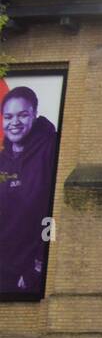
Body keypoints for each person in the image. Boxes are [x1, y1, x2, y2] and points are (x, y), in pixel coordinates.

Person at [0, 86, 59, 295]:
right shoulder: (2, 162)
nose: (14, 123)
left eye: (23, 115)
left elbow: (54, 210)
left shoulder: (52, 148)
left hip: (29, 275)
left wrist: (38, 264)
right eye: (8, 116)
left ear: (34, 114)